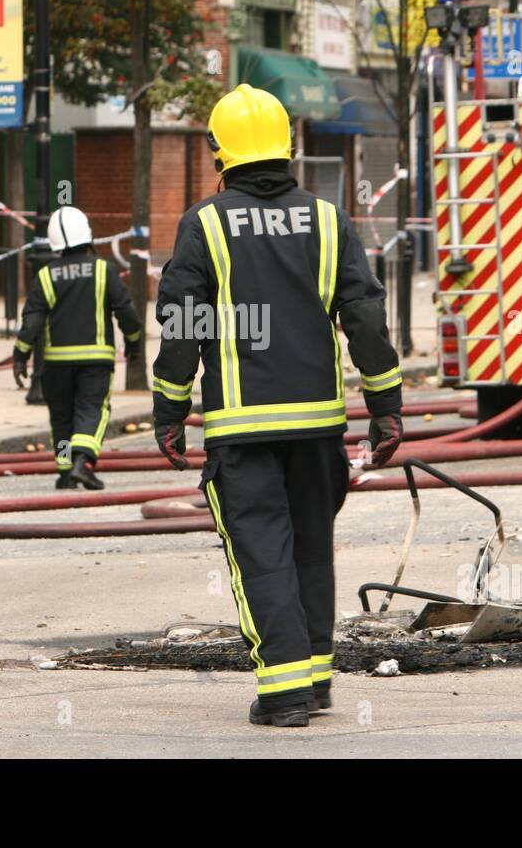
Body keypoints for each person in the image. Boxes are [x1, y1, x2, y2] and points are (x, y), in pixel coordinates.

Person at [151, 84, 404, 728]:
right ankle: (315, 680)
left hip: (243, 429)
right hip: (319, 428)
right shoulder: (326, 219)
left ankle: (287, 690)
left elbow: (182, 325)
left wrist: (169, 408)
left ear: (221, 153)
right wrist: (386, 407)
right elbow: (366, 320)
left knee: (261, 554)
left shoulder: (204, 224)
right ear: (287, 149)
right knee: (312, 551)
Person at [12, 206, 143, 489]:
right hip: (95, 360)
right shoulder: (103, 270)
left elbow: (31, 323)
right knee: (92, 409)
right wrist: (134, 344)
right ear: (88, 236)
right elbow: (127, 314)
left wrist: (20, 356)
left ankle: (65, 472)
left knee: (61, 415)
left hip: (55, 363)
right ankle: (83, 463)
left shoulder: (46, 276)